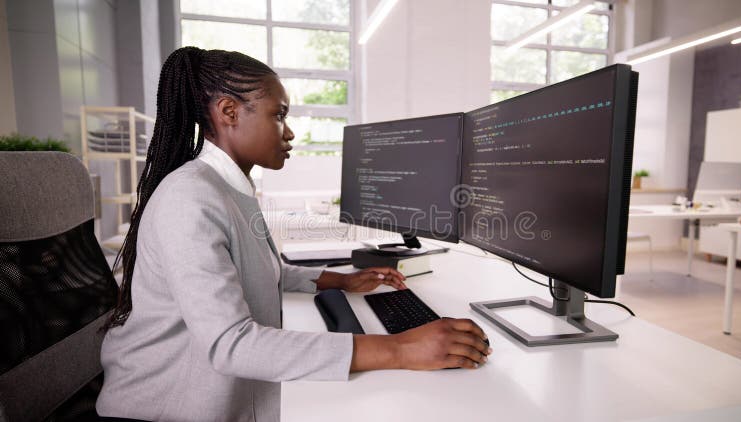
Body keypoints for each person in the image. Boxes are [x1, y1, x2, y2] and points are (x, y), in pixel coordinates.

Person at [96, 47, 491, 422]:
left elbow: (255, 270)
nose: (289, 133)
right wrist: (400, 348)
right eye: (279, 115)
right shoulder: (189, 199)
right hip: (163, 408)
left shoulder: (225, 188)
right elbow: (232, 345)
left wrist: (340, 280)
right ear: (229, 112)